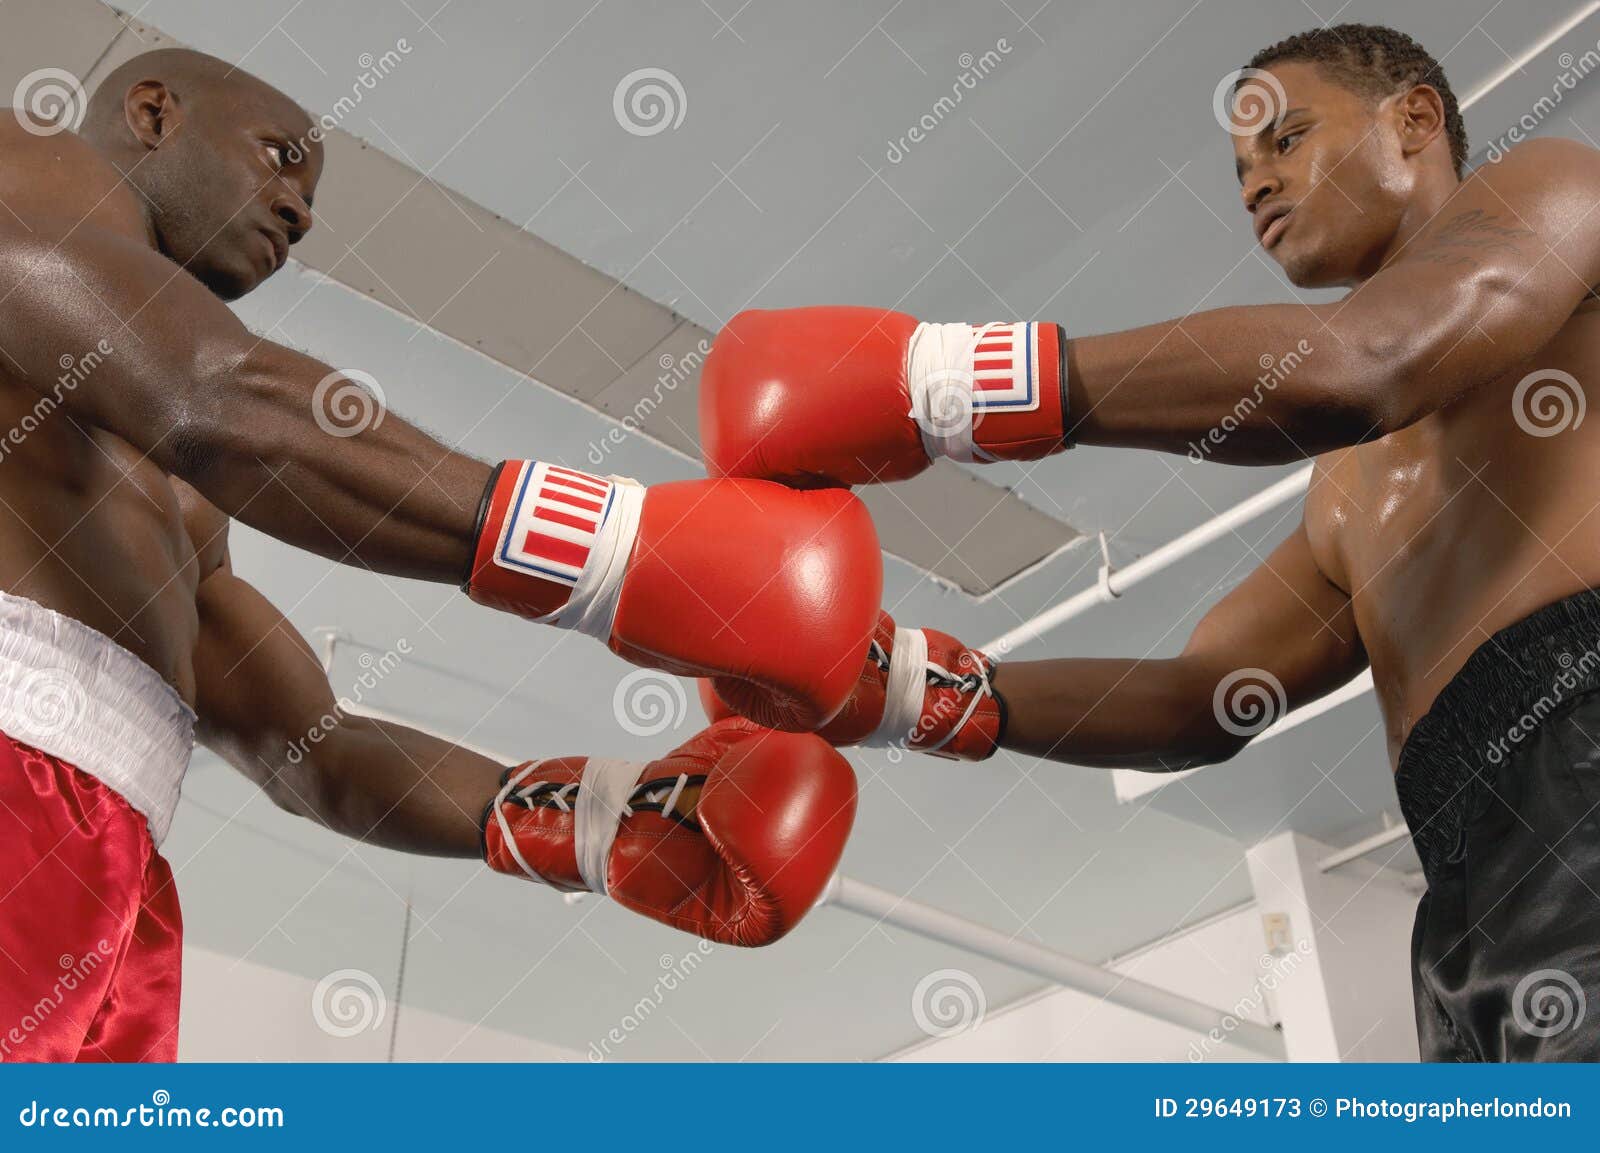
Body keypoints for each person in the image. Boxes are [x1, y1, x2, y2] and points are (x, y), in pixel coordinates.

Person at [698, 24, 1600, 1061]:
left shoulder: (1557, 188)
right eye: (1242, 171)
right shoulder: (1343, 496)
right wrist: (899, 687)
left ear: (1415, 119)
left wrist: (942, 388)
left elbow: (1364, 362)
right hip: (1462, 885)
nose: (1257, 185)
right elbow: (1201, 698)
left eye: (1286, 139)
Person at [0, 48, 868, 1062]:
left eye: (310, 195)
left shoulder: (174, 507)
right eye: (280, 157)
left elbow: (312, 750)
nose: (300, 211)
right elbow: (212, 395)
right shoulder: (25, 173)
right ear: (153, 112)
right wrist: (619, 550)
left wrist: (601, 818)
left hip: (115, 865)